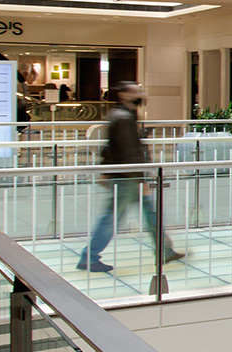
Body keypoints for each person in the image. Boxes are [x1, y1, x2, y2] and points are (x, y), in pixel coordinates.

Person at [75, 83, 183, 273]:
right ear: (124, 95)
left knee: (150, 213)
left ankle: (165, 250)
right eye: (135, 92)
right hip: (128, 179)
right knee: (111, 218)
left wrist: (105, 171)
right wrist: (141, 180)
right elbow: (129, 152)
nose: (141, 94)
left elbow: (110, 147)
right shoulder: (123, 118)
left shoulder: (121, 115)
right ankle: (89, 257)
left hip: (126, 176)